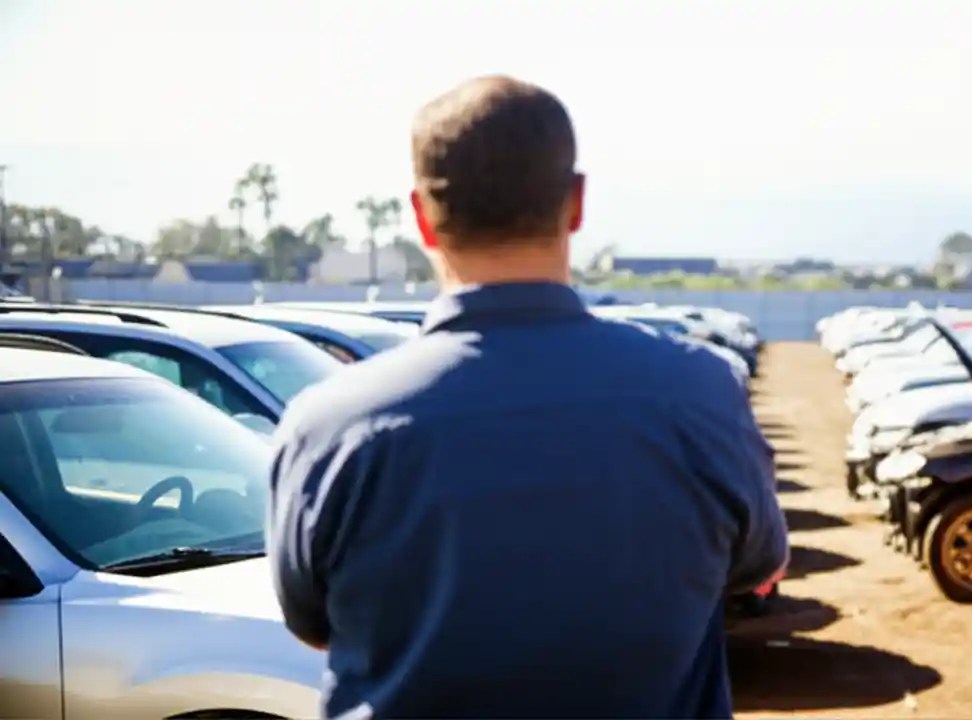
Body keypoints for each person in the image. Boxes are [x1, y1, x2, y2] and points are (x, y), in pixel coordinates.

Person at [266, 75, 789, 720]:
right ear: (576, 204)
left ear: (422, 217)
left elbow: (310, 623)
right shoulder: (700, 392)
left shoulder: (327, 426)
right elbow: (758, 568)